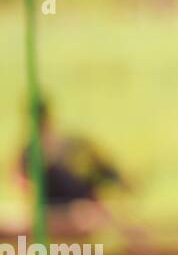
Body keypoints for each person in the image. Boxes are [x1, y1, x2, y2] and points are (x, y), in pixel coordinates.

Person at [12, 98, 123, 239]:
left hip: (75, 207)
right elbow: (23, 183)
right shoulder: (33, 151)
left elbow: (22, 183)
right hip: (61, 210)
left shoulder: (68, 144)